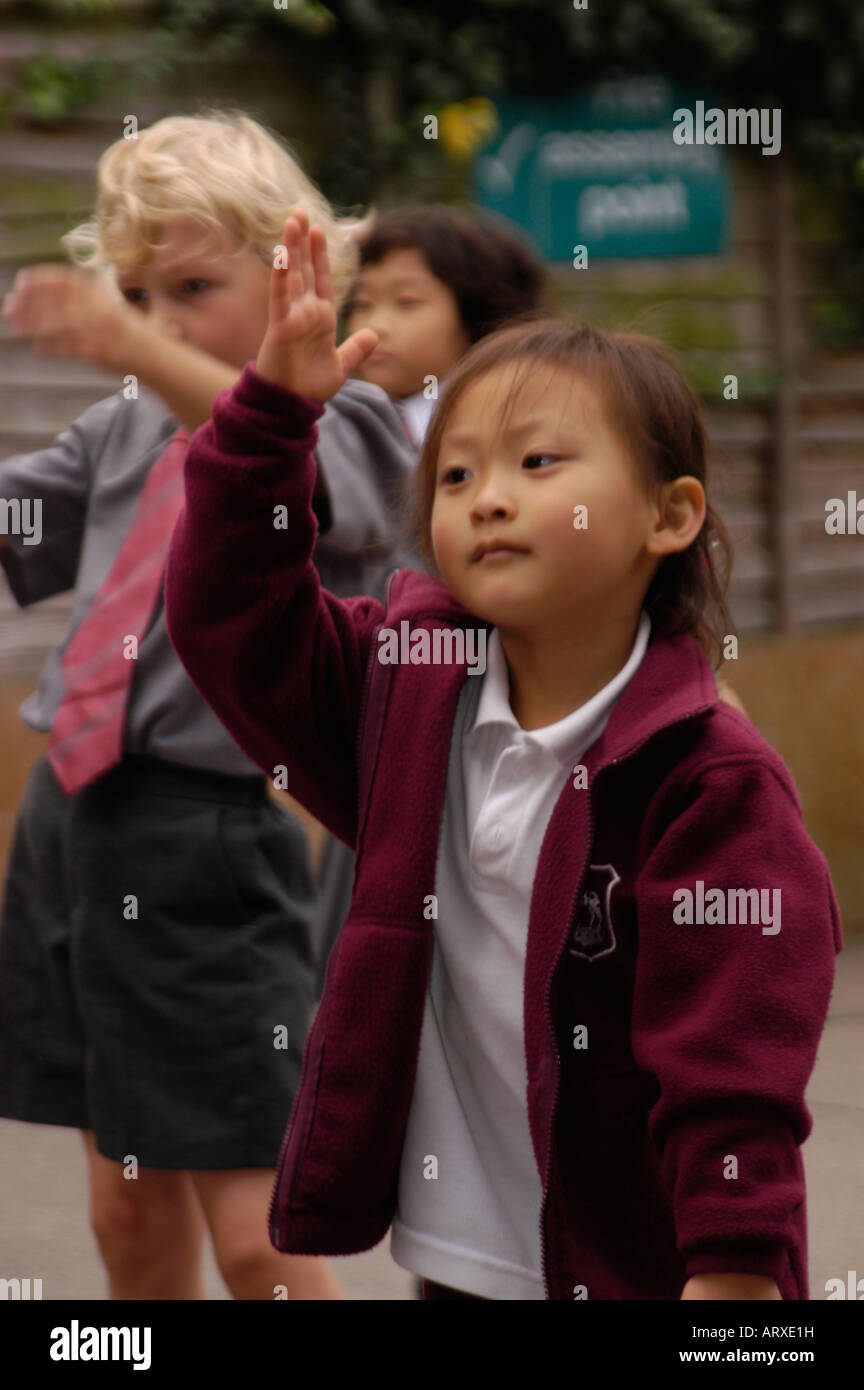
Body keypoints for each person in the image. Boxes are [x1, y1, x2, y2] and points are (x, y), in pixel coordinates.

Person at [164, 210, 842, 1301]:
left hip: (652, 1277)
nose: (487, 496)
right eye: (457, 475)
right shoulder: (405, 695)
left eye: (536, 462)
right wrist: (272, 415)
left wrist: (732, 1285)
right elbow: (232, 618)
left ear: (669, 517)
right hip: (463, 1263)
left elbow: (735, 1078)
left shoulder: (712, 786)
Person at [0, 112, 417, 1300]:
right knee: (124, 1205)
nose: (153, 321)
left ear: (301, 274)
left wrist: (137, 343)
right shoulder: (123, 424)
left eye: (189, 286)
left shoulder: (348, 414)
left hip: (209, 839)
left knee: (258, 1231)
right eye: (134, 291)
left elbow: (299, 477)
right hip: (73, 817)